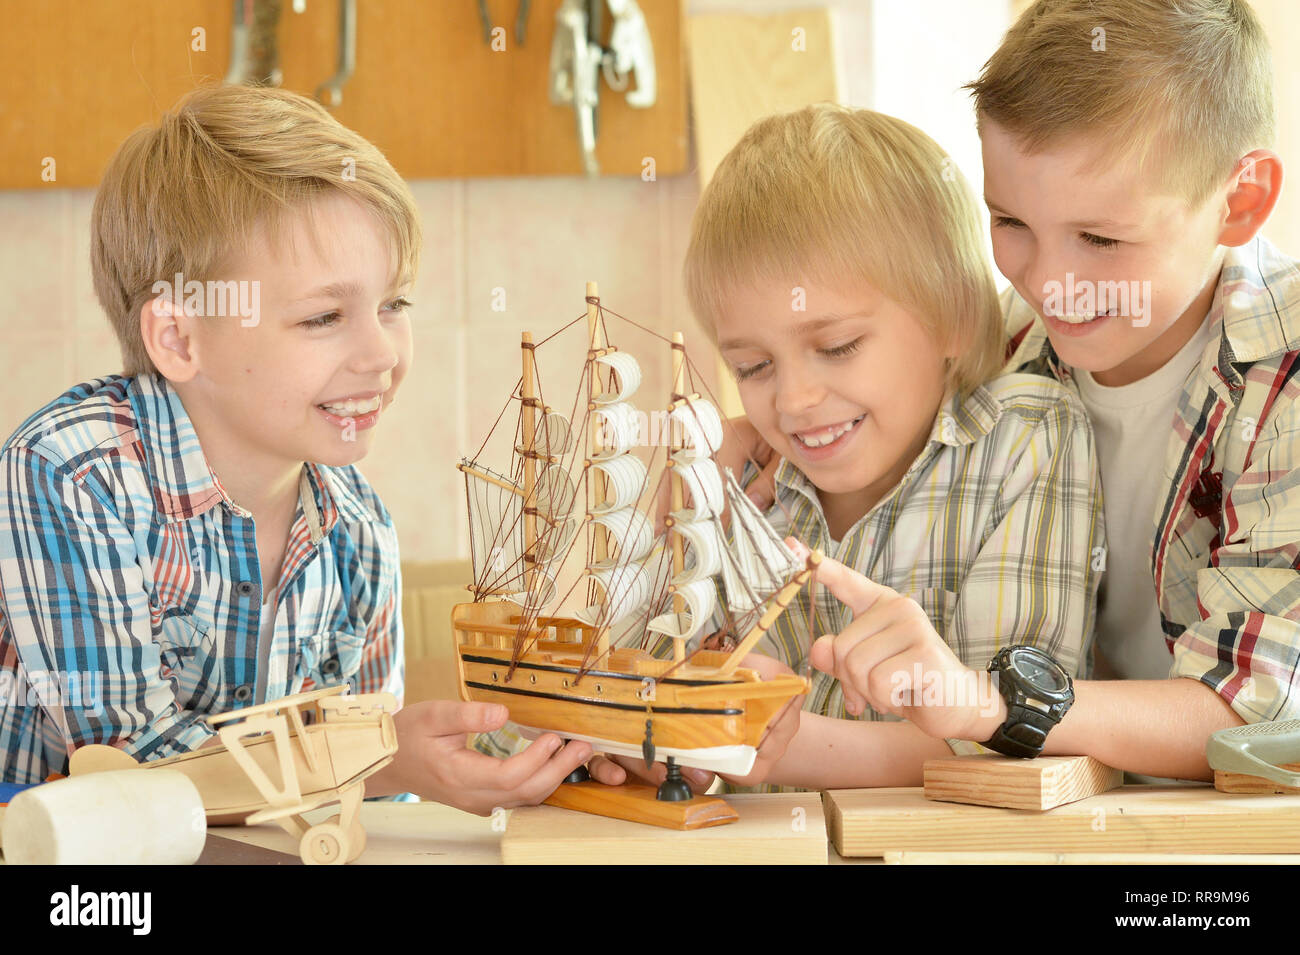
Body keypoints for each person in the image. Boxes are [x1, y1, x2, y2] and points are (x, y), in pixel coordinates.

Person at [739, 0, 1293, 781]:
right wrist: (752, 431)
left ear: (1239, 201)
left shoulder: (1286, 373)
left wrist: (994, 703)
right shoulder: (1002, 344)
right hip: (1065, 810)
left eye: (1100, 238)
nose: (1048, 282)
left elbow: (1255, 709)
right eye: (1011, 222)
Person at [0, 83, 590, 811]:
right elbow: (126, 781)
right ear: (180, 338)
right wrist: (377, 766)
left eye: (393, 305)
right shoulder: (70, 474)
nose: (381, 354)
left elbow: (362, 812)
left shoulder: (360, 532)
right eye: (323, 316)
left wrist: (499, 765)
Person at [592, 103, 1104, 790]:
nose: (795, 400)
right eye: (752, 367)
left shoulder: (1025, 441)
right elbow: (631, 694)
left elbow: (1009, 746)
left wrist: (759, 739)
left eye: (837, 347)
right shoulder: (740, 489)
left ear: (951, 315)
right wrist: (654, 748)